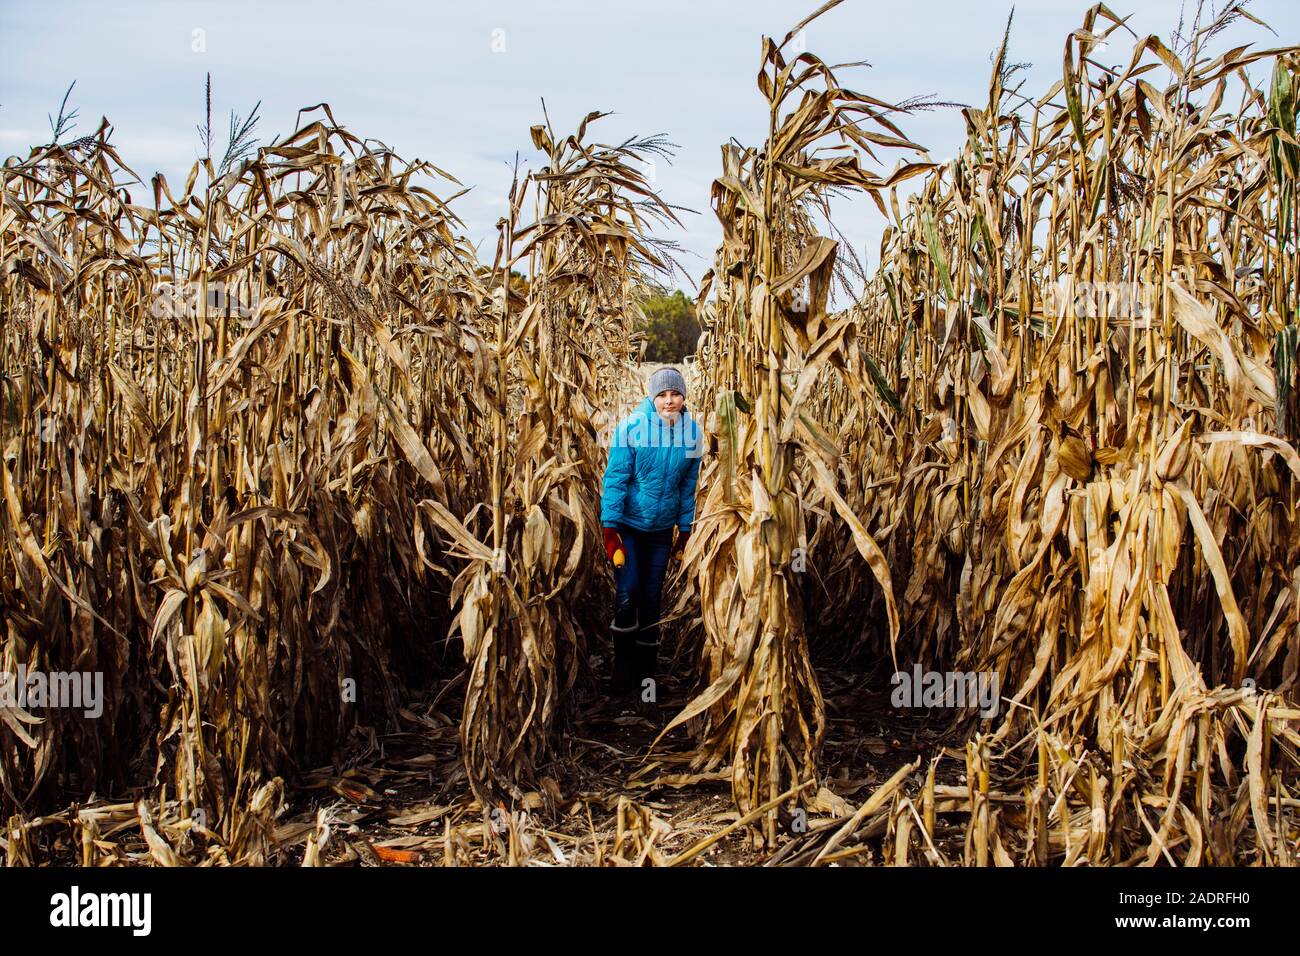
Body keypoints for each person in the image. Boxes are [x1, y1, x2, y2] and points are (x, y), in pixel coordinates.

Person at [600, 366, 703, 711]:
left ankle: (647, 677)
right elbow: (615, 478)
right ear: (652, 397)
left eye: (675, 394)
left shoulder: (692, 433)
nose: (669, 400)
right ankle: (622, 666)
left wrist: (685, 528)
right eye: (662, 395)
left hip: (660, 532)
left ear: (683, 397)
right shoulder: (632, 428)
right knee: (628, 594)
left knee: (651, 600)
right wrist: (610, 528)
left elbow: (687, 486)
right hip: (629, 527)